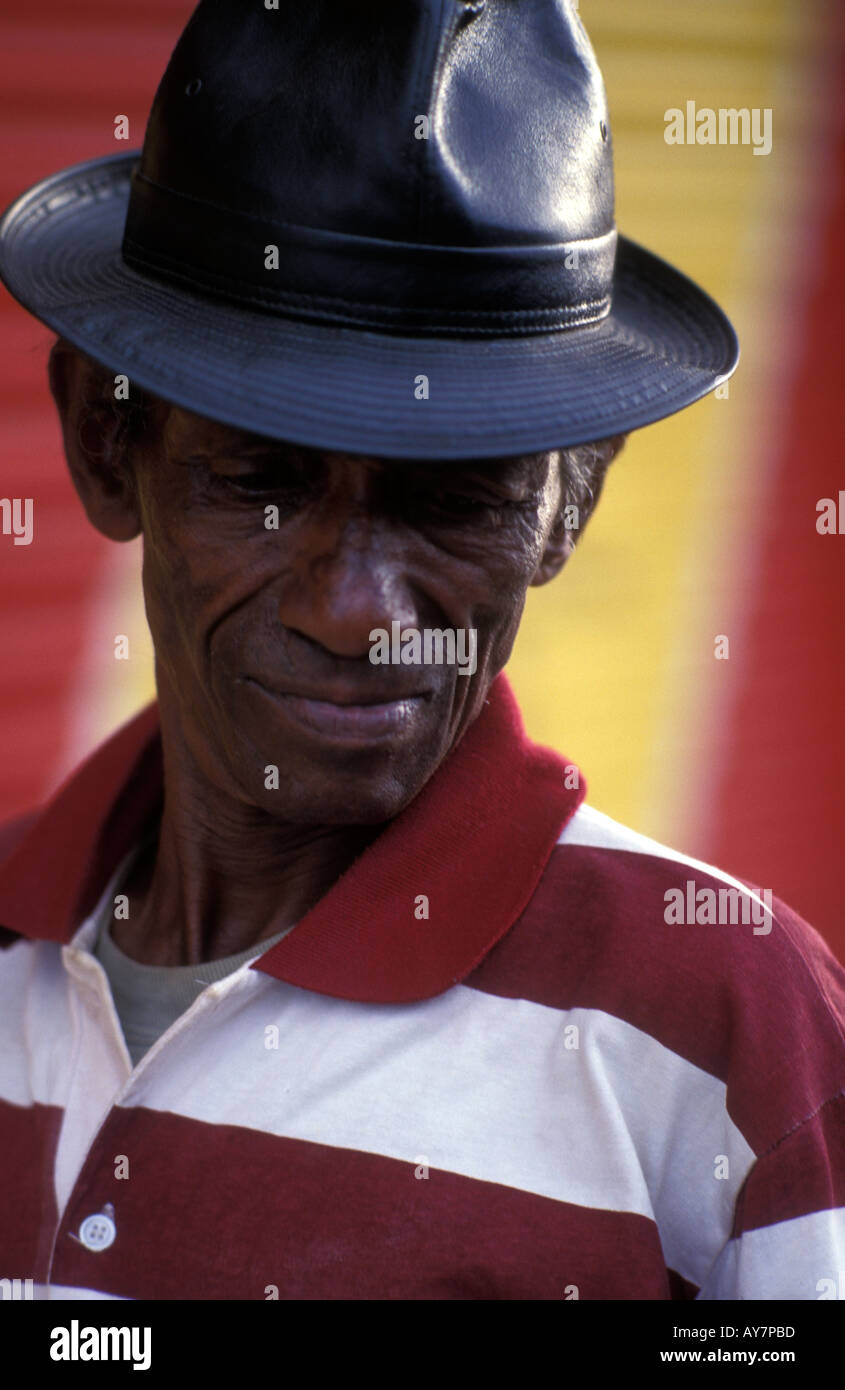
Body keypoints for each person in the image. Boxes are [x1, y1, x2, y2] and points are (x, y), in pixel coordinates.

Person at [0, 0, 842, 1302]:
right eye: (261, 483)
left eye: (451, 498)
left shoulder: (733, 1027)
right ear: (109, 445)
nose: (354, 607)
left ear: (569, 501)